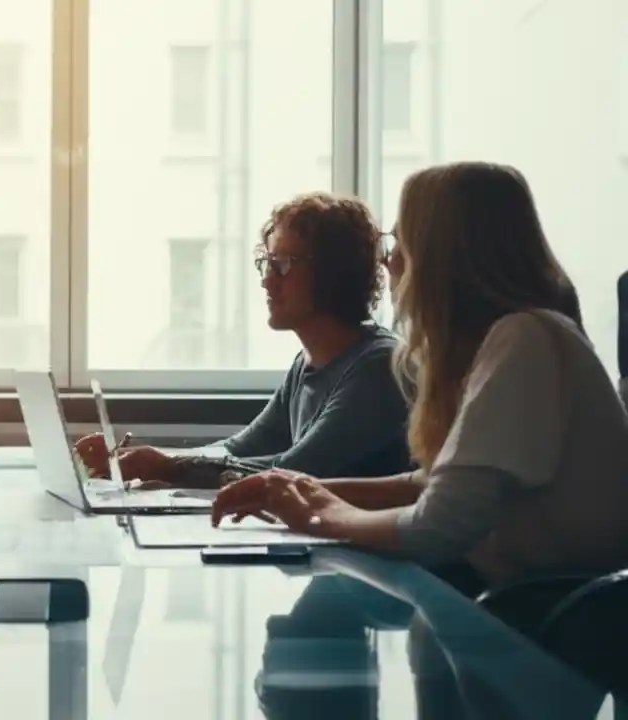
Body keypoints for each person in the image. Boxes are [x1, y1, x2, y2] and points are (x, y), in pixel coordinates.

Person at [212, 162, 628, 592]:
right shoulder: (498, 345)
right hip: (533, 601)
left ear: (443, 255)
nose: (388, 260)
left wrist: (320, 515)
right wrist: (304, 490)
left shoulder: (526, 340)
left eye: (401, 242)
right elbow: (431, 483)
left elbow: (438, 526)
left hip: (560, 619)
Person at [77, 192, 410, 485]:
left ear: (333, 272)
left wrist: (170, 468)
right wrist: (138, 460)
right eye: (266, 263)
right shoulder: (307, 363)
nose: (267, 282)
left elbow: (295, 470)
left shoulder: (378, 368)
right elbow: (239, 449)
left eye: (281, 264)